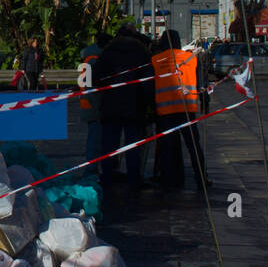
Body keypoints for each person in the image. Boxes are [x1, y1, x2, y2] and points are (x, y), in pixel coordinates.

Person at [92, 23, 152, 189]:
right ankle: (134, 178)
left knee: (109, 145)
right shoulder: (141, 53)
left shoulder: (107, 53)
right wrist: (149, 106)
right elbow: (148, 82)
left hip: (110, 106)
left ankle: (107, 177)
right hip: (135, 106)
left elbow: (96, 79)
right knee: (133, 146)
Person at [152, 29, 210, 190]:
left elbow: (150, 86)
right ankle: (201, 179)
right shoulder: (191, 58)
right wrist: (205, 101)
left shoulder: (156, 60)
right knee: (193, 146)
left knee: (167, 147)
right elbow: (201, 83)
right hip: (187, 108)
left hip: (165, 111)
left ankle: (169, 180)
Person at [79, 33, 110, 163]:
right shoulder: (98, 57)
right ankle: (92, 168)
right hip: (94, 101)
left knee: (94, 136)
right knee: (96, 138)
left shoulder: (87, 55)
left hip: (86, 100)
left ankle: (94, 167)